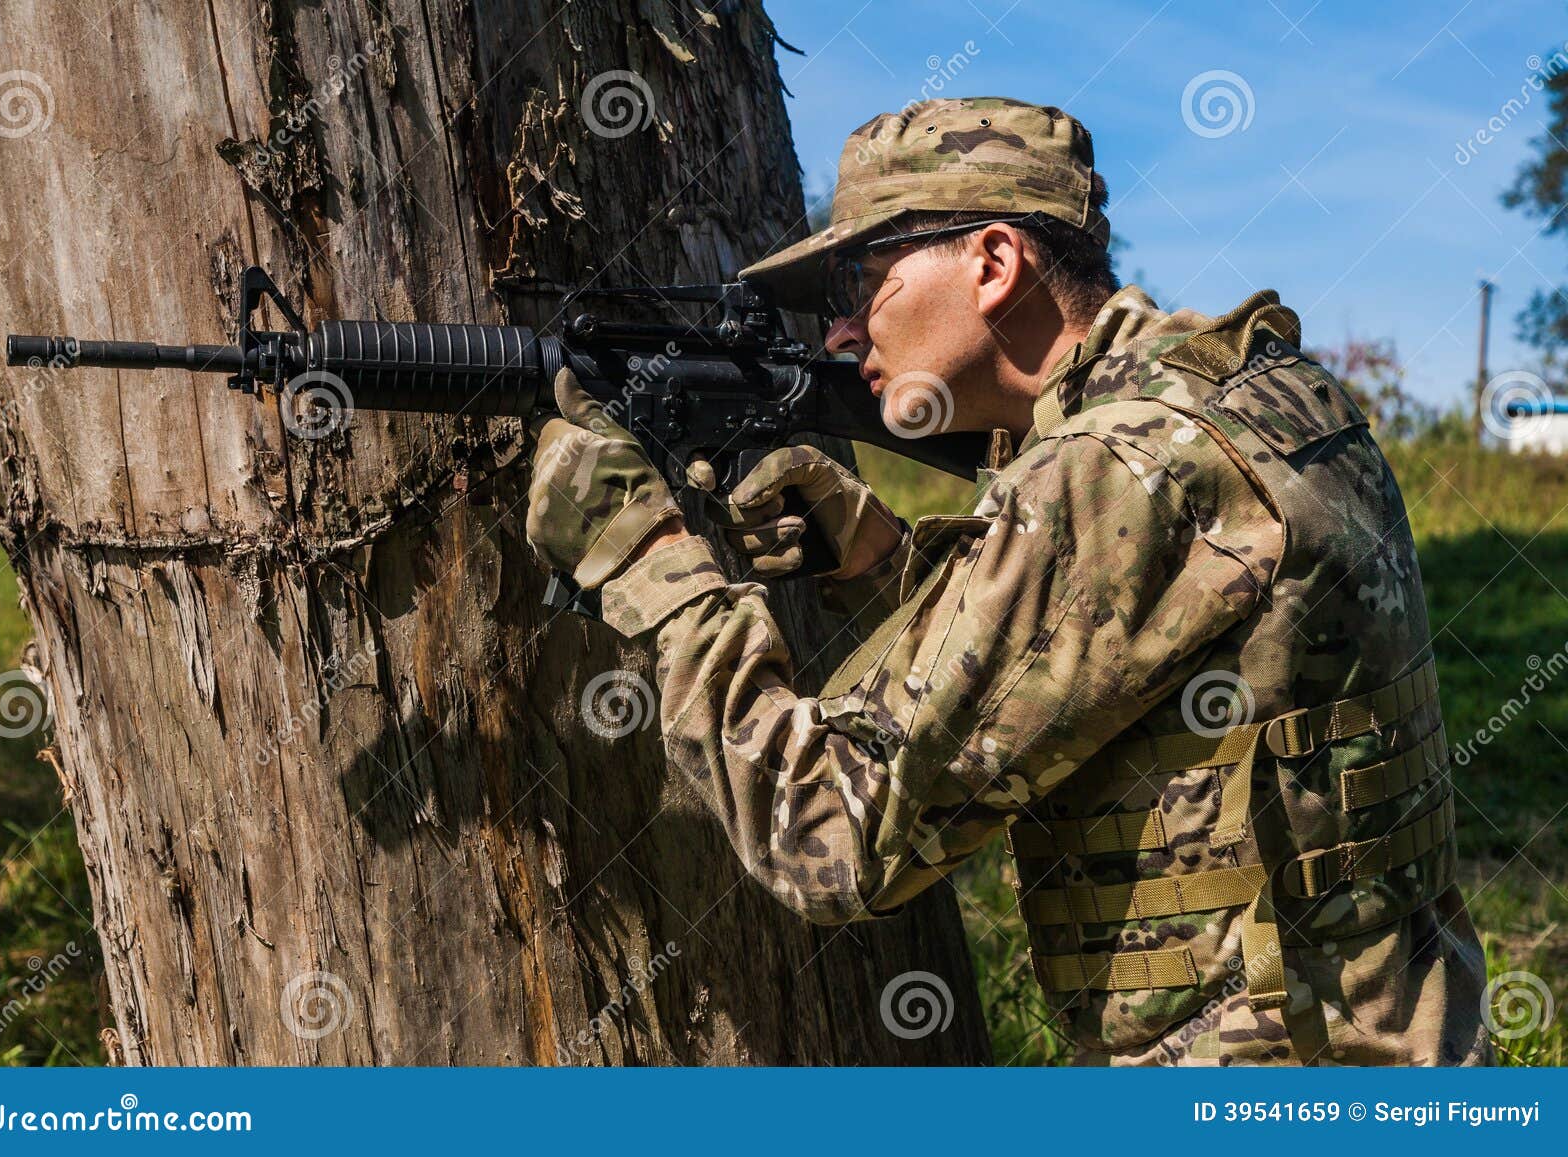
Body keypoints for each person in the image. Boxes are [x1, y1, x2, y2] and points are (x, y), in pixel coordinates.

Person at [525, 98, 1491, 1066]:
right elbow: (1144, 661)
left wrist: (651, 564)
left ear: (993, 263)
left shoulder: (1113, 463)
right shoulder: (1255, 387)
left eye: (863, 280)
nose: (842, 331)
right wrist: (885, 568)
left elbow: (827, 836)